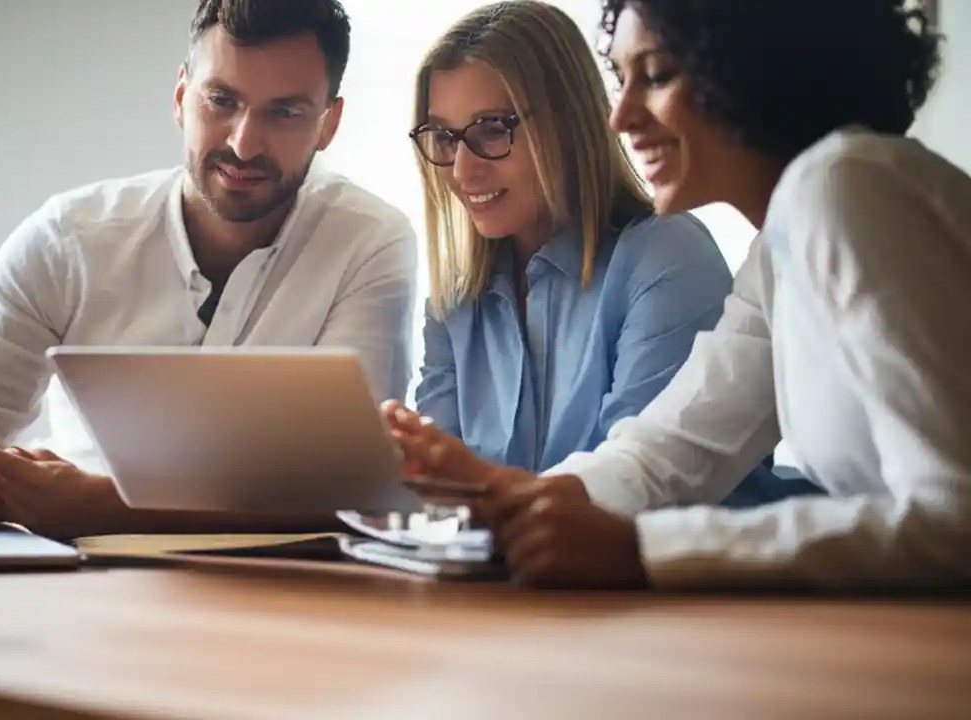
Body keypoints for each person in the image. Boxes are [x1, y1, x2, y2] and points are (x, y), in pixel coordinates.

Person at [388, 0, 971, 590]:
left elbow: (956, 520)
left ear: (750, 67)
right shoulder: (781, 245)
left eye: (657, 76)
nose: (618, 118)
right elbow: (671, 450)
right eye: (621, 79)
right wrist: (516, 498)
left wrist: (645, 548)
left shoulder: (846, 186)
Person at [0, 0, 417, 541]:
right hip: (84, 579)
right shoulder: (67, 239)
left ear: (329, 124)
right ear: (182, 97)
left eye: (284, 112)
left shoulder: (369, 242)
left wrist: (93, 504)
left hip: (289, 582)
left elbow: (357, 489)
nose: (243, 143)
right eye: (221, 101)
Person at [393, 1, 731, 483]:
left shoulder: (668, 260)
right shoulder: (454, 304)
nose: (463, 171)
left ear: (569, 123)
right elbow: (439, 488)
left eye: (493, 129)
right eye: (445, 138)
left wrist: (474, 486)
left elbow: (634, 488)